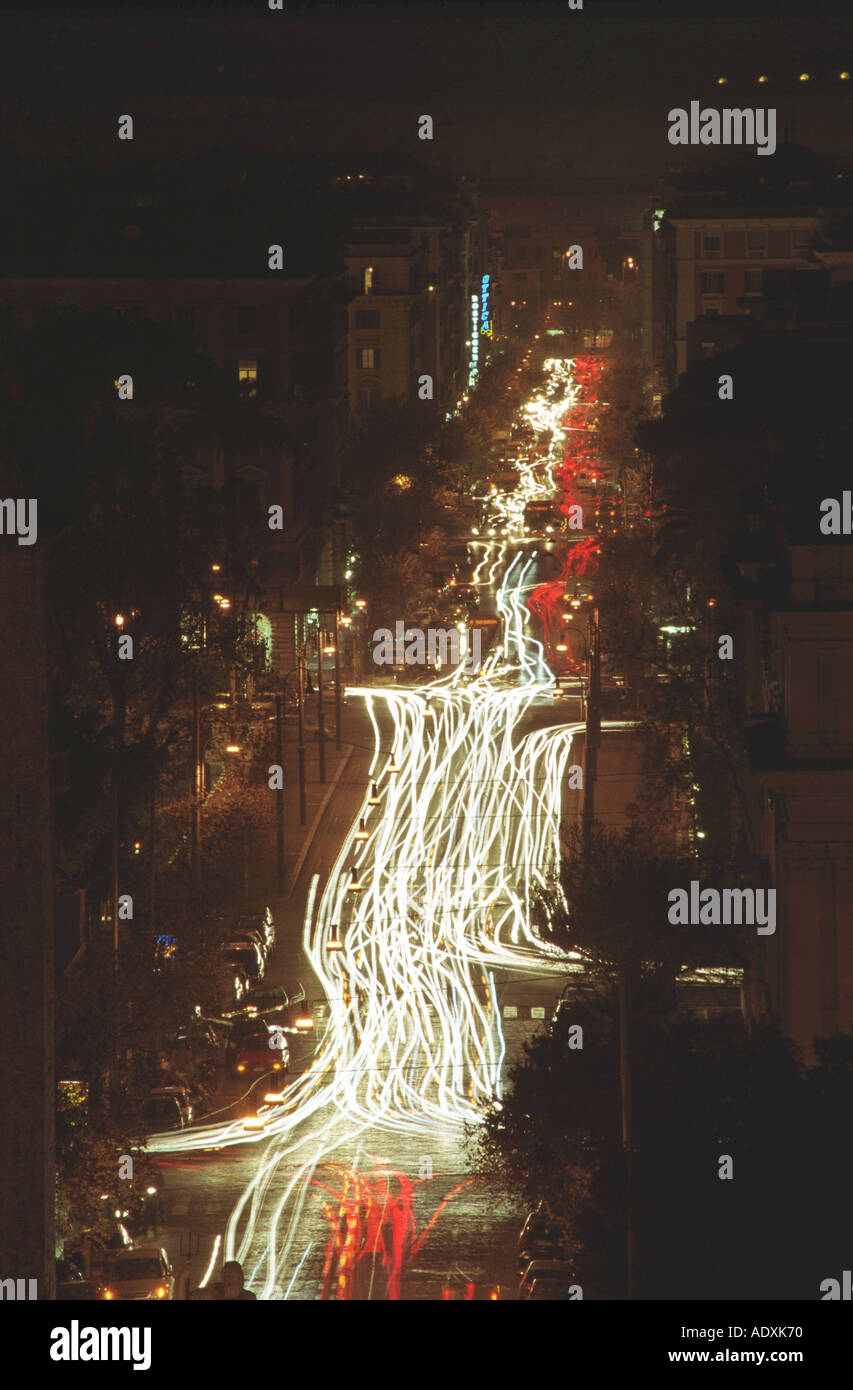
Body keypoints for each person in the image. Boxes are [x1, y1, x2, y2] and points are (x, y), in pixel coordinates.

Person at [175, 1258, 257, 1300]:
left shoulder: (248, 1297)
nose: (229, 1280)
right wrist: (182, 1278)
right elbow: (183, 1298)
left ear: (241, 1279)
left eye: (232, 1276)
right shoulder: (212, 1292)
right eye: (226, 1275)